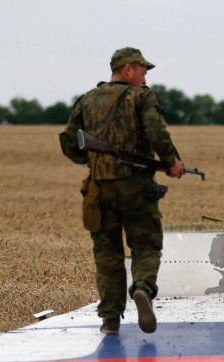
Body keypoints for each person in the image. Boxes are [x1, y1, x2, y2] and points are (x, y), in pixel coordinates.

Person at [63, 47, 184, 335]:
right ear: (128, 69)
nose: (144, 78)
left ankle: (110, 320)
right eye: (143, 72)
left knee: (107, 255)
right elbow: (158, 134)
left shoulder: (86, 100)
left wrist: (93, 160)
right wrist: (172, 163)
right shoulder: (141, 97)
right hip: (136, 187)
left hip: (98, 191)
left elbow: (70, 143)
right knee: (145, 245)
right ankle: (142, 288)